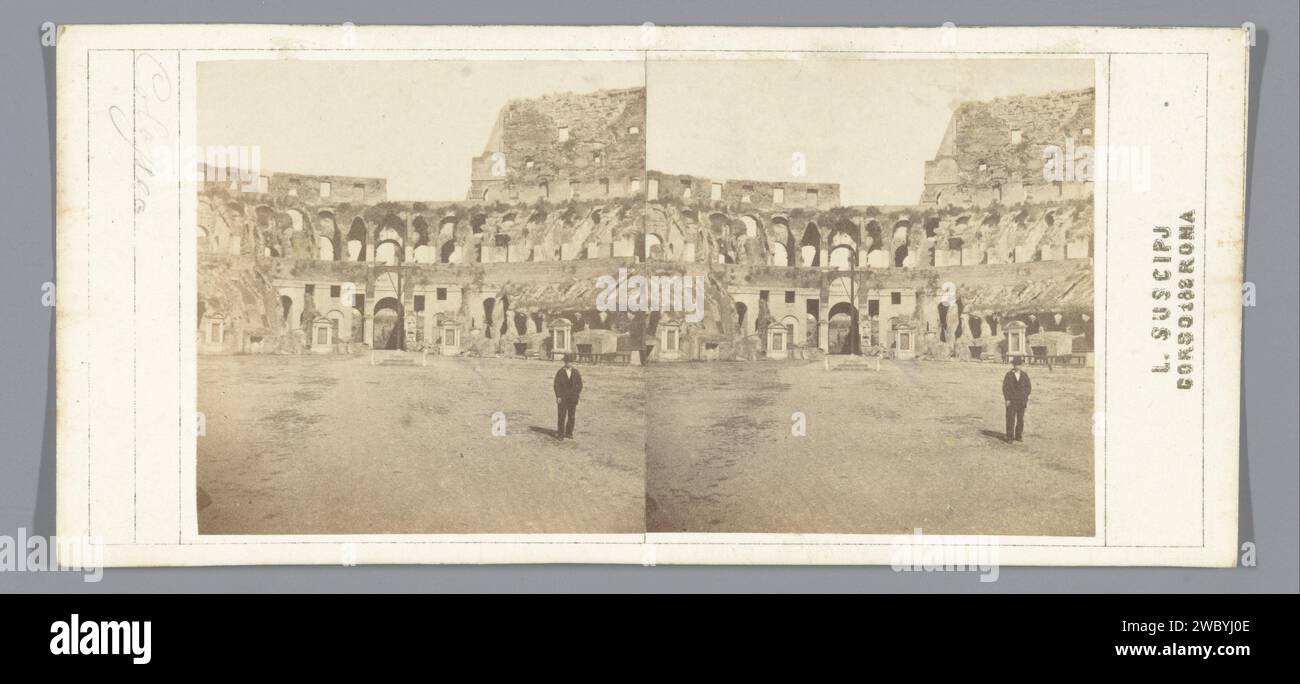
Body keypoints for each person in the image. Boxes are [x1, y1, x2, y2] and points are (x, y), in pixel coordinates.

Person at [553, 354, 583, 440]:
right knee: (561, 416)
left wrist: (576, 394)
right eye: (567, 362)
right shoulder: (560, 372)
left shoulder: (576, 372)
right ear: (564, 362)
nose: (569, 364)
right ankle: (560, 433)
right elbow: (556, 385)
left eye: (570, 362)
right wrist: (558, 396)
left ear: (573, 362)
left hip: (572, 398)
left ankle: (569, 432)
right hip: (563, 398)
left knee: (571, 416)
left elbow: (580, 385)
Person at [1002, 357, 1032, 443]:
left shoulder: (1024, 375)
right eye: (1016, 365)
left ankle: (1018, 436)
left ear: (1021, 365)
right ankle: (1009, 437)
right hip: (1011, 401)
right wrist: (1007, 399)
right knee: (1010, 419)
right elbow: (1005, 388)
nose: (1017, 366)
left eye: (1019, 365)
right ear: (1013, 365)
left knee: (1020, 419)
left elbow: (1028, 387)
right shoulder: (1008, 375)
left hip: (1021, 401)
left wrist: (1025, 397)